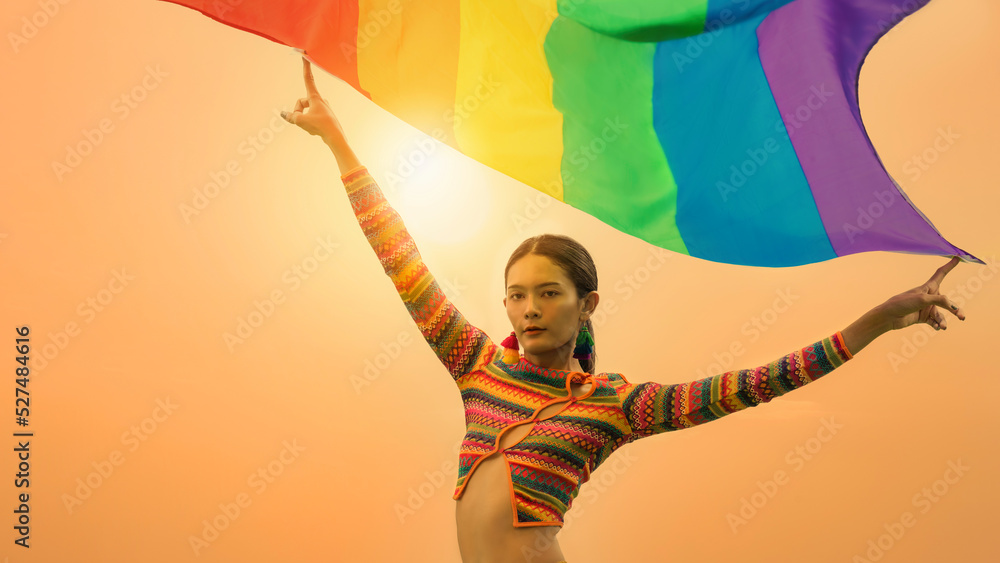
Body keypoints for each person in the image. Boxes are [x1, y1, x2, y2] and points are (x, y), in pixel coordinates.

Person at [280, 56, 967, 563]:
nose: (528, 309)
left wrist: (879, 320)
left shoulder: (615, 405)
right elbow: (402, 262)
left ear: (587, 305)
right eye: (516, 295)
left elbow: (751, 385)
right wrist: (339, 143)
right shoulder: (477, 368)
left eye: (548, 293)